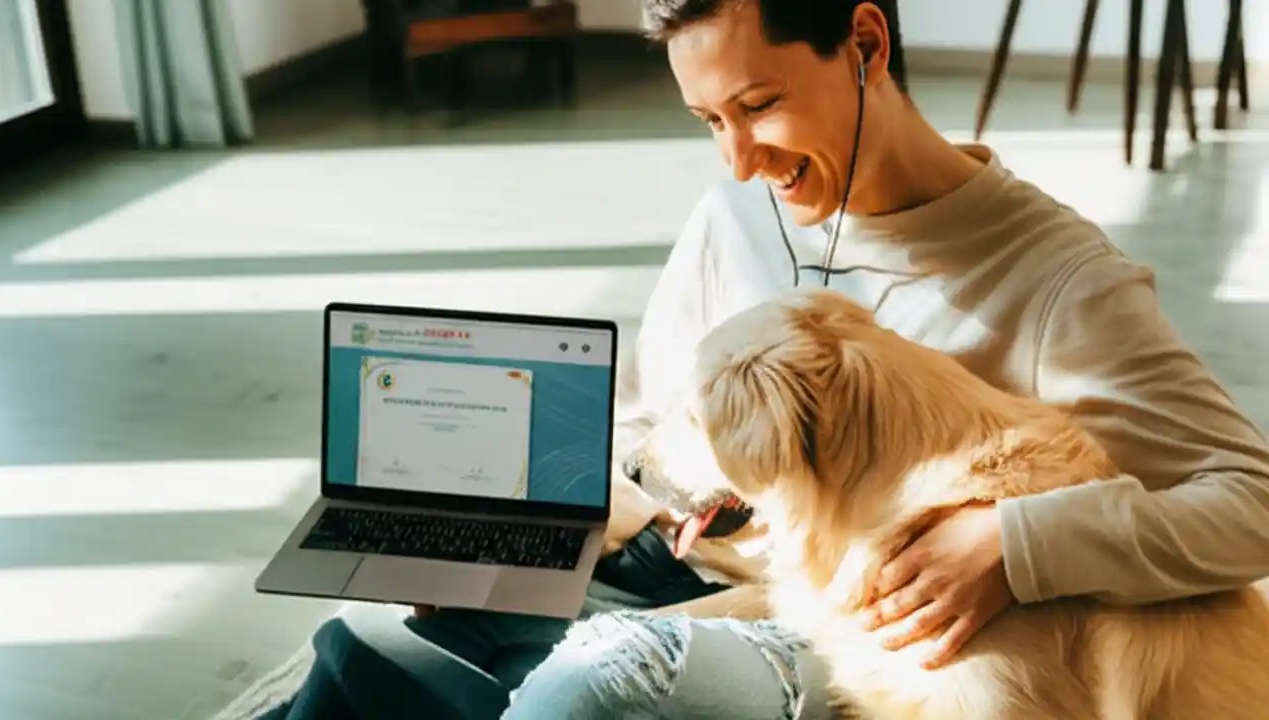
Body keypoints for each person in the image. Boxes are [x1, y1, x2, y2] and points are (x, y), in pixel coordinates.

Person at [263, 1, 1269, 718]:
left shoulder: (1060, 282)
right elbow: (653, 431)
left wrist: (1012, 542)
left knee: (596, 686)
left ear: (862, 43)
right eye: (710, 121)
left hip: (842, 614)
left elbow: (1246, 502)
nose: (738, 159)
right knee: (368, 654)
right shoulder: (735, 211)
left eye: (758, 105)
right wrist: (510, 524)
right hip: (675, 553)